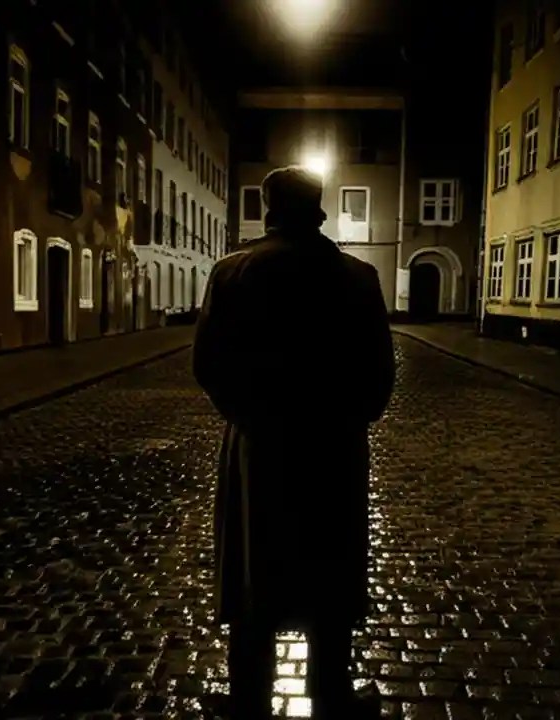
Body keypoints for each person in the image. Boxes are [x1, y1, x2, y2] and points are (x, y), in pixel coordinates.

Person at [192, 166, 395, 718]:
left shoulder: (232, 272)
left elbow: (208, 363)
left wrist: (248, 416)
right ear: (319, 208)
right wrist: (348, 419)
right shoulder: (358, 277)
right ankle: (330, 694)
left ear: (268, 209)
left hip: (259, 447)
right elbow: (380, 372)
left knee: (255, 571)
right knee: (330, 564)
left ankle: (247, 697)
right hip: (334, 448)